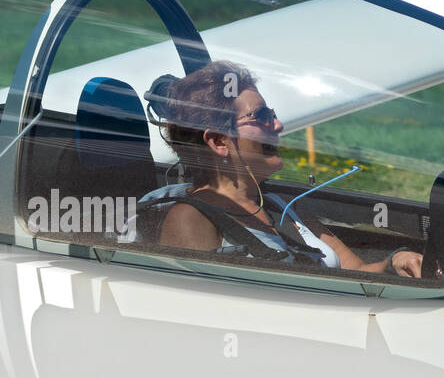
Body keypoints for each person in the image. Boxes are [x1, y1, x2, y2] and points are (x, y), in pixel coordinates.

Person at [142, 61, 423, 278]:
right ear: (218, 141)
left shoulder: (283, 208)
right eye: (261, 117)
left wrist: (393, 262)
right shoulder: (191, 219)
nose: (278, 126)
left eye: (272, 115)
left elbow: (356, 273)